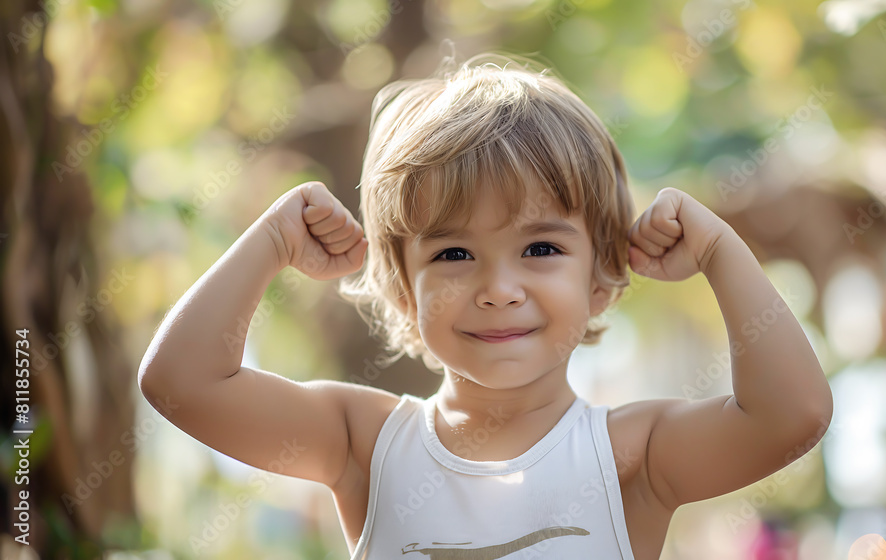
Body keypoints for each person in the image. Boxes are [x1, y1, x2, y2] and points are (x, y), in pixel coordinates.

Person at [138, 51, 834, 559]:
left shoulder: (631, 455)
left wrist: (719, 249)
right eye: (454, 254)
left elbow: (793, 416)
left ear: (603, 275)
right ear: (402, 290)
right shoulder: (365, 444)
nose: (499, 288)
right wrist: (271, 238)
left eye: (540, 250)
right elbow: (180, 383)